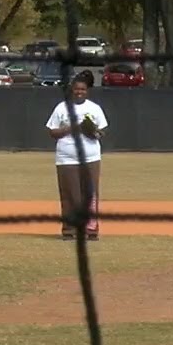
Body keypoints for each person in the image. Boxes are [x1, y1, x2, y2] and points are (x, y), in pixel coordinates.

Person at [46, 70, 108, 241]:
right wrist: (71, 128)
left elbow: (102, 132)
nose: (79, 92)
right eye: (76, 89)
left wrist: (91, 131)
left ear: (87, 91)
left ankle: (91, 230)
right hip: (66, 158)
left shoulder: (94, 108)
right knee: (69, 194)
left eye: (83, 89)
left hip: (90, 157)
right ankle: (69, 230)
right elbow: (52, 131)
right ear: (72, 90)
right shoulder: (62, 108)